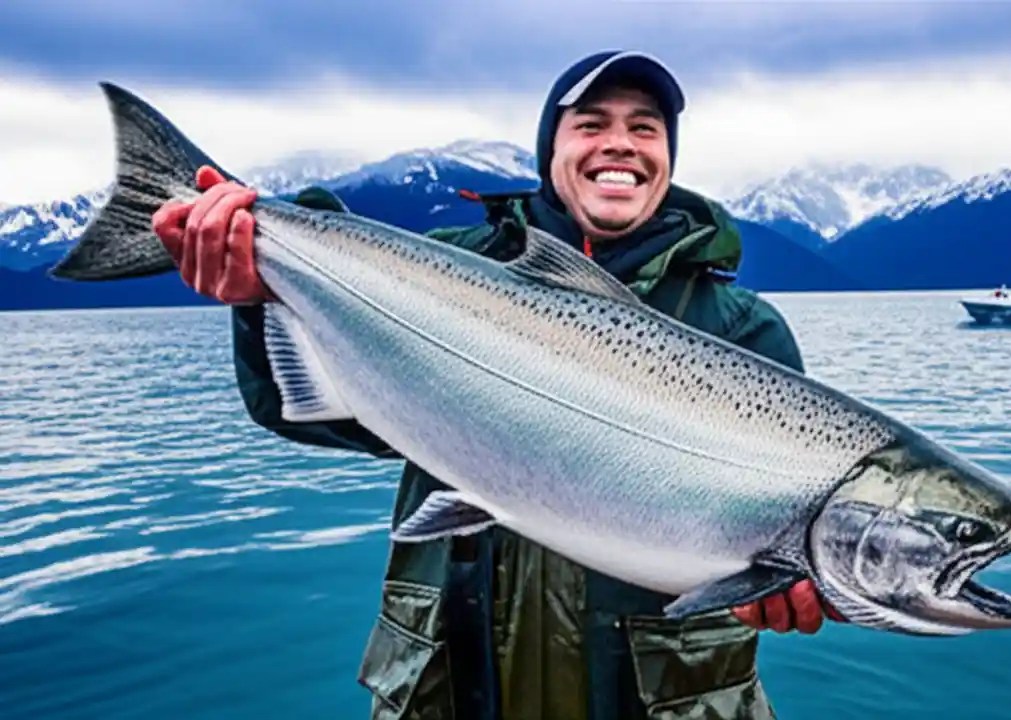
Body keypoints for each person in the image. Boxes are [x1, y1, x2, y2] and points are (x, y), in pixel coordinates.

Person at [151, 49, 844, 720]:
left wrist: (783, 585)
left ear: (669, 154)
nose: (621, 144)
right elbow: (308, 411)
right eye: (592, 123)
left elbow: (780, 534)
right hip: (454, 687)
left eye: (645, 128)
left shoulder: (742, 332)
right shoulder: (449, 268)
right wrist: (262, 293)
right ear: (551, 147)